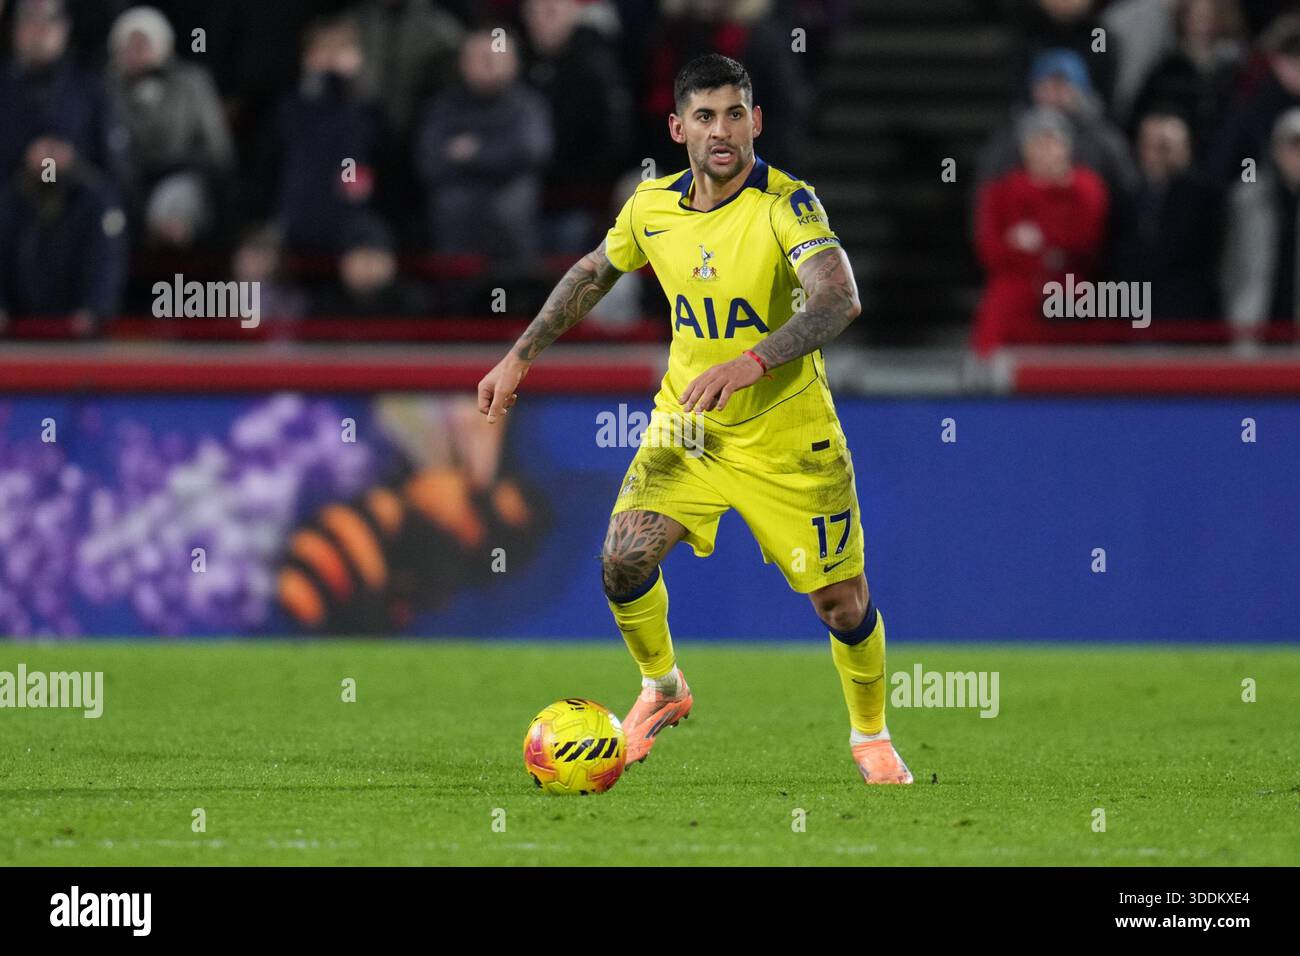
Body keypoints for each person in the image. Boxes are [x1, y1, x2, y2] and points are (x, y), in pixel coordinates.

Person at [476, 54, 913, 785]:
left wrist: (754, 361)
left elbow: (838, 299)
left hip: (787, 434)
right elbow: (592, 274)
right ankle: (663, 687)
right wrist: (519, 355)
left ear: (756, 122)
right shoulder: (651, 208)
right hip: (689, 427)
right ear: (678, 128)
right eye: (706, 116)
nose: (722, 130)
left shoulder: (788, 204)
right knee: (622, 559)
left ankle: (870, 736)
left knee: (841, 604)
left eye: (735, 114)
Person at [971, 108, 1110, 354]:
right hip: (1013, 295)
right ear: (1025, 150)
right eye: (1037, 142)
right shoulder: (1001, 193)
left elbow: (1086, 242)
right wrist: (1048, 252)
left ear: (1067, 148)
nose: (1046, 151)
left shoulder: (1087, 189)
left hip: (1071, 293)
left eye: (1053, 142)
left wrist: (1040, 241)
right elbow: (991, 251)